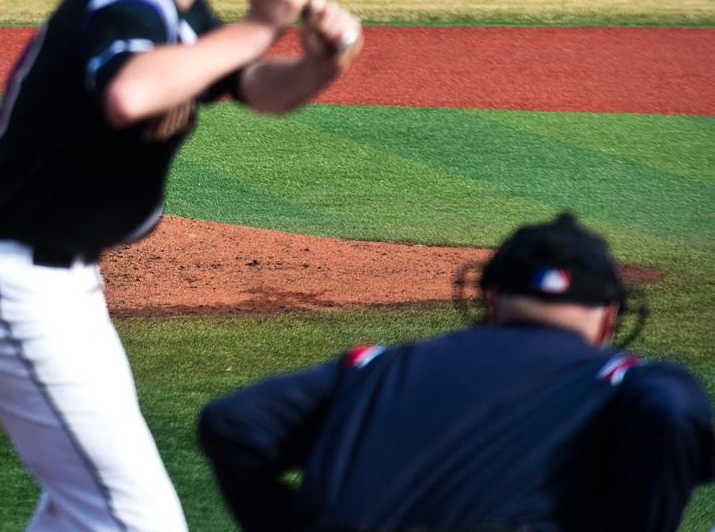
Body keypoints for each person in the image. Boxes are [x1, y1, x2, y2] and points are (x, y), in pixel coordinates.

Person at [0, 0, 363, 532]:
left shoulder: (176, 5)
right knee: (140, 521)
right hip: (15, 286)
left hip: (55, 286)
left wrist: (321, 63)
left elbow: (259, 86)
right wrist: (258, 25)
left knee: (84, 510)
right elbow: (131, 91)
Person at [199, 212, 715, 532]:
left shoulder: (379, 365)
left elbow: (232, 422)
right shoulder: (624, 378)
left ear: (491, 298)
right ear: (609, 316)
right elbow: (670, 417)